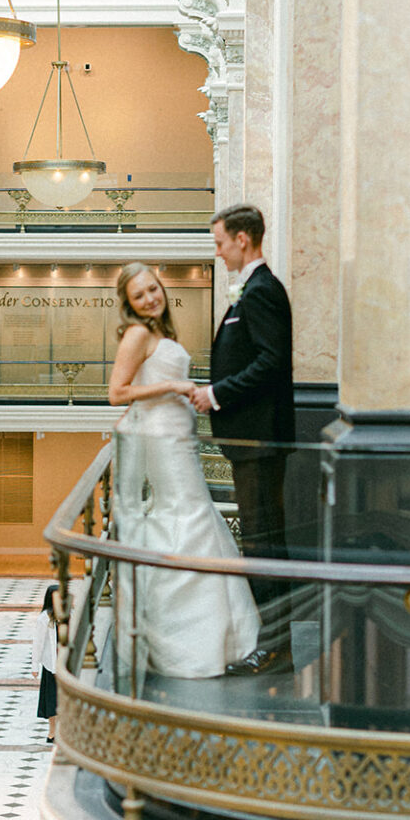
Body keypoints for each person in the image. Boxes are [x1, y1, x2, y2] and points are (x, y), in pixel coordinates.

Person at [109, 261, 258, 677]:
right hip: (159, 437)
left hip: (178, 434)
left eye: (153, 289)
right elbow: (117, 392)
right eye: (139, 295)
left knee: (196, 514)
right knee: (187, 513)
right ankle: (188, 639)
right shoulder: (137, 334)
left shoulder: (160, 332)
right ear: (128, 304)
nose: (149, 299)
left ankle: (221, 635)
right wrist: (174, 386)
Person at [190, 203, 295, 677]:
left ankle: (275, 647)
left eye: (220, 243)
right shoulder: (251, 289)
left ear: (243, 240)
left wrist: (216, 394)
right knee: (260, 542)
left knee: (264, 546)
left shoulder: (262, 292)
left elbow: (271, 362)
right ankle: (272, 643)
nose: (218, 253)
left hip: (259, 440)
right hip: (250, 441)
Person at [32, 584, 60, 745]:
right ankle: (52, 732)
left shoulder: (69, 614)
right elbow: (38, 643)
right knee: (51, 700)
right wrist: (34, 666)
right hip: (52, 665)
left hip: (66, 664)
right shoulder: (44, 619)